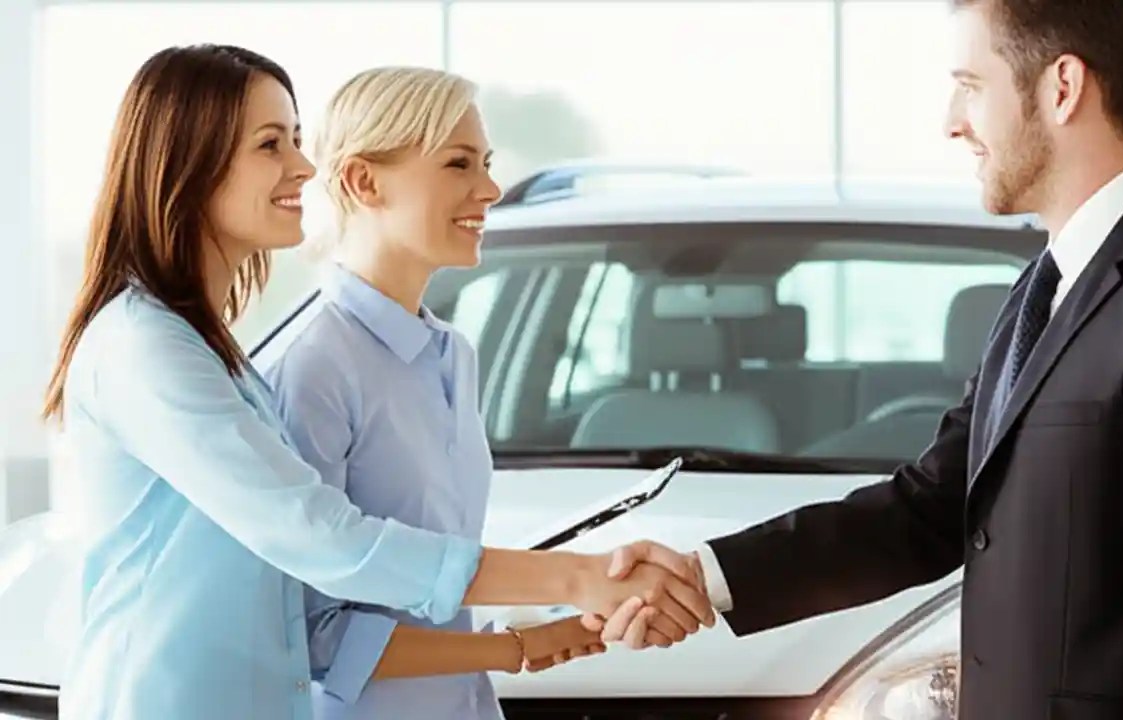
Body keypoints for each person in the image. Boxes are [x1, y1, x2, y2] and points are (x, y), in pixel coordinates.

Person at [594, 0, 1123, 717]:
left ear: (1063, 86)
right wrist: (707, 575)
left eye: (970, 85)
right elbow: (933, 507)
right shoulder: (1049, 283)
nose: (952, 121)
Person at [43, 45, 712, 720]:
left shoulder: (207, 351)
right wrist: (577, 580)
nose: (305, 167)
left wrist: (532, 634)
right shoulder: (147, 349)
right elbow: (324, 542)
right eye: (271, 144)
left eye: (298, 140)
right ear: (188, 160)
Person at [258, 66, 664, 719]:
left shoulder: (452, 354)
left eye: (486, 163)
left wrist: (530, 637)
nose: (491, 188)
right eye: (458, 164)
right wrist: (513, 648)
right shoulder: (312, 366)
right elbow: (309, 635)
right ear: (365, 181)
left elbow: (429, 579)